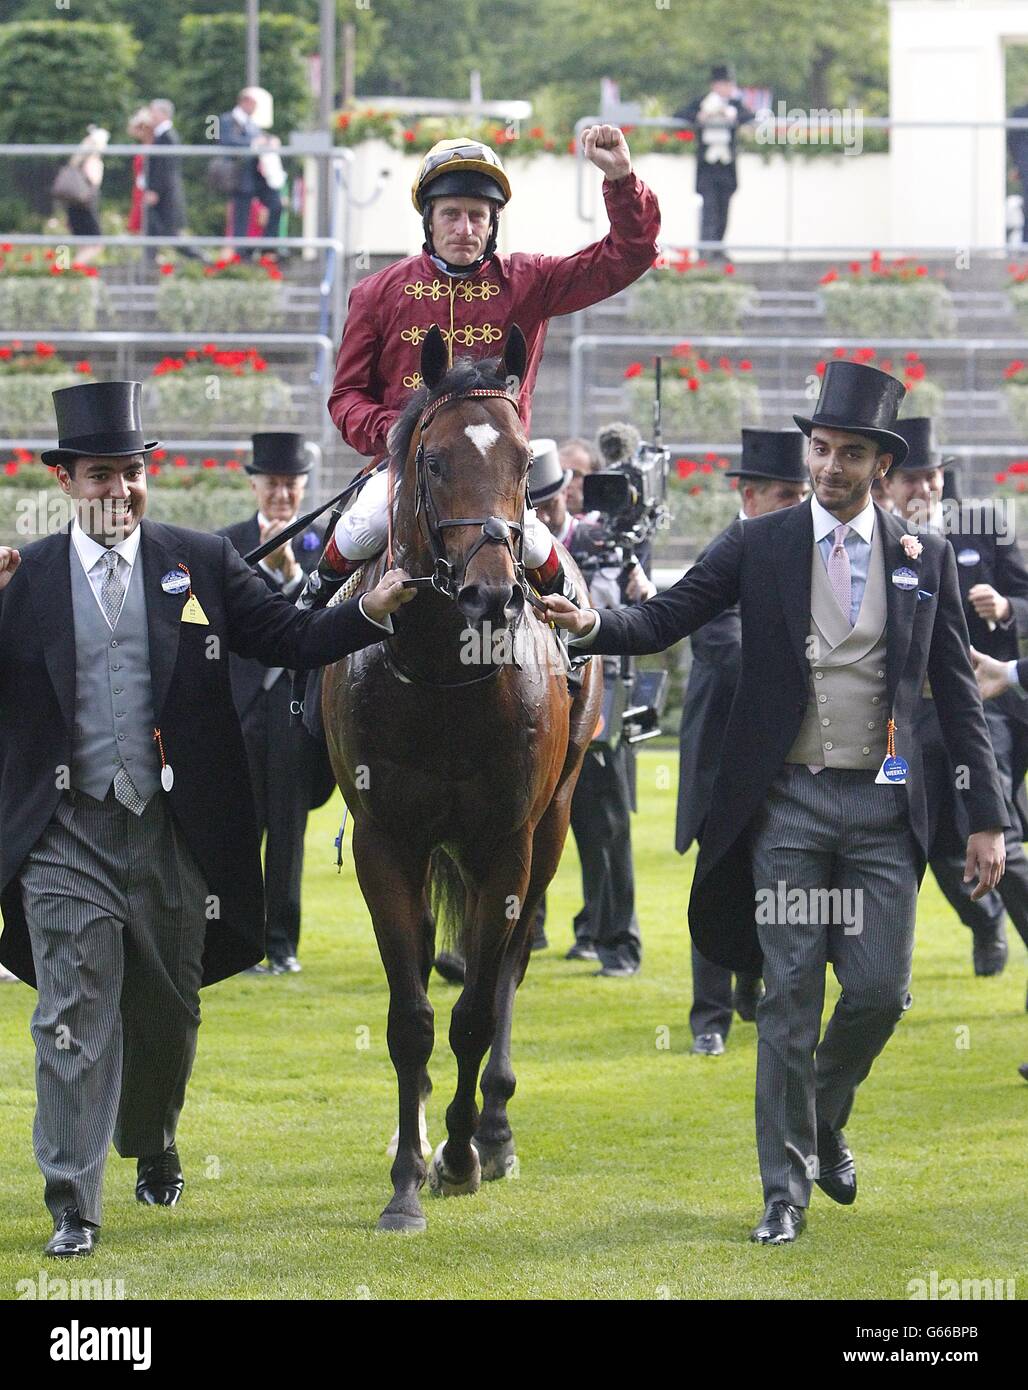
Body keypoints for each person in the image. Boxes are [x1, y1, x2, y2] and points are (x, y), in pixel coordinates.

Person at [544, 361, 1007, 1244]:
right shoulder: (759, 544)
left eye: (850, 453)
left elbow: (953, 690)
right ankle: (783, 1193)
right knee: (789, 994)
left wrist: (987, 816)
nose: (831, 466)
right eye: (822, 448)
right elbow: (666, 616)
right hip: (786, 807)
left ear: (880, 463)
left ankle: (825, 1116)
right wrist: (591, 623)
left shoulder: (927, 557)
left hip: (883, 811)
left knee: (880, 994)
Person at [0, 381, 414, 1259]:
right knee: (72, 1013)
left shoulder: (199, 562)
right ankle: (74, 1201)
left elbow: (288, 641)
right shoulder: (22, 577)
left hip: (175, 834)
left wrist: (369, 613)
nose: (119, 489)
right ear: (68, 482)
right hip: (65, 835)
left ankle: (151, 1140)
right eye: (101, 474)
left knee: (167, 1012)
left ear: (151, 475)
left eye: (133, 472)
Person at [302, 130, 660, 614]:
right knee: (360, 525)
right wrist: (396, 435)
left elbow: (628, 256)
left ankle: (576, 652)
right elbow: (346, 398)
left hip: (498, 476)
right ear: (429, 220)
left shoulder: (531, 281)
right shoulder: (376, 293)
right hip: (407, 469)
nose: (464, 228)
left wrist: (620, 180)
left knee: (537, 549)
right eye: (451, 214)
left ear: (493, 225)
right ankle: (305, 632)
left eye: (477, 216)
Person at [880, 417, 1028, 977]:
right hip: (913, 712)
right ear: (889, 484)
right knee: (936, 840)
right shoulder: (880, 538)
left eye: (932, 478)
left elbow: (1026, 593)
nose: (924, 489)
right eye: (912, 479)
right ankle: (986, 923)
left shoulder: (985, 526)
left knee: (998, 832)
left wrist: (1009, 608)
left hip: (984, 704)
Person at [677, 430, 808, 1055]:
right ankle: (710, 1018)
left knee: (780, 874)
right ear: (749, 496)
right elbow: (721, 647)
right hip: (722, 753)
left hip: (782, 753)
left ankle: (755, 984)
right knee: (716, 874)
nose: (797, 505)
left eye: (803, 494)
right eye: (787, 495)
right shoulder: (728, 551)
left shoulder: (806, 552)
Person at [531, 439, 653, 975]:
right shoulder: (508, 547)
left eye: (548, 502)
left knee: (604, 826)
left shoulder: (603, 541)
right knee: (521, 823)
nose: (539, 513)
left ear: (565, 495)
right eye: (529, 504)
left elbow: (637, 613)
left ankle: (617, 942)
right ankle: (516, 932)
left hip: (596, 701)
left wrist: (642, 593)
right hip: (534, 704)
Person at [218, 433, 335, 976]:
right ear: (255, 486)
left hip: (292, 704)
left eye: (291, 485)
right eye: (273, 484)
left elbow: (317, 619)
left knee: (288, 831)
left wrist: (289, 574)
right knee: (240, 827)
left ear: (304, 488)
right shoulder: (228, 544)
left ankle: (282, 943)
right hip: (242, 703)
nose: (282, 495)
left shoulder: (326, 547)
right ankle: (238, 940)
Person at [674, 65, 754, 258]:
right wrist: (700, 117)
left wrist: (732, 115)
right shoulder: (703, 102)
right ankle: (706, 250)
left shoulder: (734, 105)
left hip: (726, 166)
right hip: (708, 166)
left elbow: (749, 116)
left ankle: (718, 248)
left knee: (723, 209)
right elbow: (679, 115)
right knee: (708, 208)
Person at [219, 88, 283, 248]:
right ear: (244, 102)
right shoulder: (226, 120)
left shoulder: (252, 123)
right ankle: (240, 253)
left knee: (275, 204)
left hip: (257, 175)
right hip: (239, 175)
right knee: (241, 216)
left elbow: (259, 136)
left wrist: (270, 139)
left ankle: (267, 248)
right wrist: (254, 143)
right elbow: (225, 142)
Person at [57, 125, 108, 266]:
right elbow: (94, 182)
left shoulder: (76, 161)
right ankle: (74, 268)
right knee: (96, 245)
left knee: (82, 246)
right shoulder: (93, 161)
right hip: (86, 208)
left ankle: (75, 274)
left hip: (73, 208)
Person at [145, 99, 189, 259]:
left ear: (163, 114)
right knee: (153, 232)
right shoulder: (161, 136)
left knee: (171, 235)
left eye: (153, 112)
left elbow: (165, 169)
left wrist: (154, 190)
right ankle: (147, 265)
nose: (150, 116)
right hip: (162, 193)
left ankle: (205, 262)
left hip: (165, 194)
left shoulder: (167, 137)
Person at [126, 109, 153, 238]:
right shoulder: (144, 146)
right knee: (138, 228)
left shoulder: (154, 146)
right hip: (139, 189)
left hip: (147, 190)